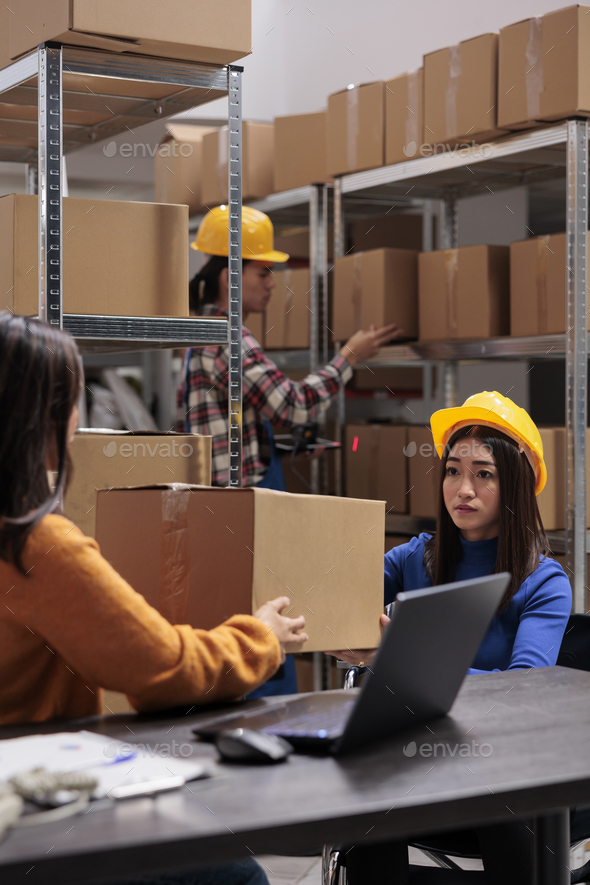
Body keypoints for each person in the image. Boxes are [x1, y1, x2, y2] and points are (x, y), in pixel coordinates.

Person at [0, 313, 308, 885]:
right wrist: (261, 637)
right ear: (42, 418)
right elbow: (162, 668)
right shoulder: (35, 544)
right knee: (236, 876)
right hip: (28, 812)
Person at [327, 391, 572, 884]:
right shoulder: (417, 558)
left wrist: (398, 657)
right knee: (366, 794)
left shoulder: (544, 582)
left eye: (484, 474)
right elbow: (336, 600)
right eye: (453, 470)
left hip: (500, 759)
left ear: (516, 485)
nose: (464, 488)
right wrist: (341, 628)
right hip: (418, 753)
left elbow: (522, 690)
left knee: (504, 803)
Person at [177, 204, 403, 699]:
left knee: (257, 635)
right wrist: (349, 358)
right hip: (240, 516)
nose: (272, 282)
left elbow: (237, 422)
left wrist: (274, 448)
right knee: (264, 640)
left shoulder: (207, 334)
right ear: (229, 274)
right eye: (263, 271)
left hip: (229, 511)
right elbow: (294, 405)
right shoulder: (227, 336)